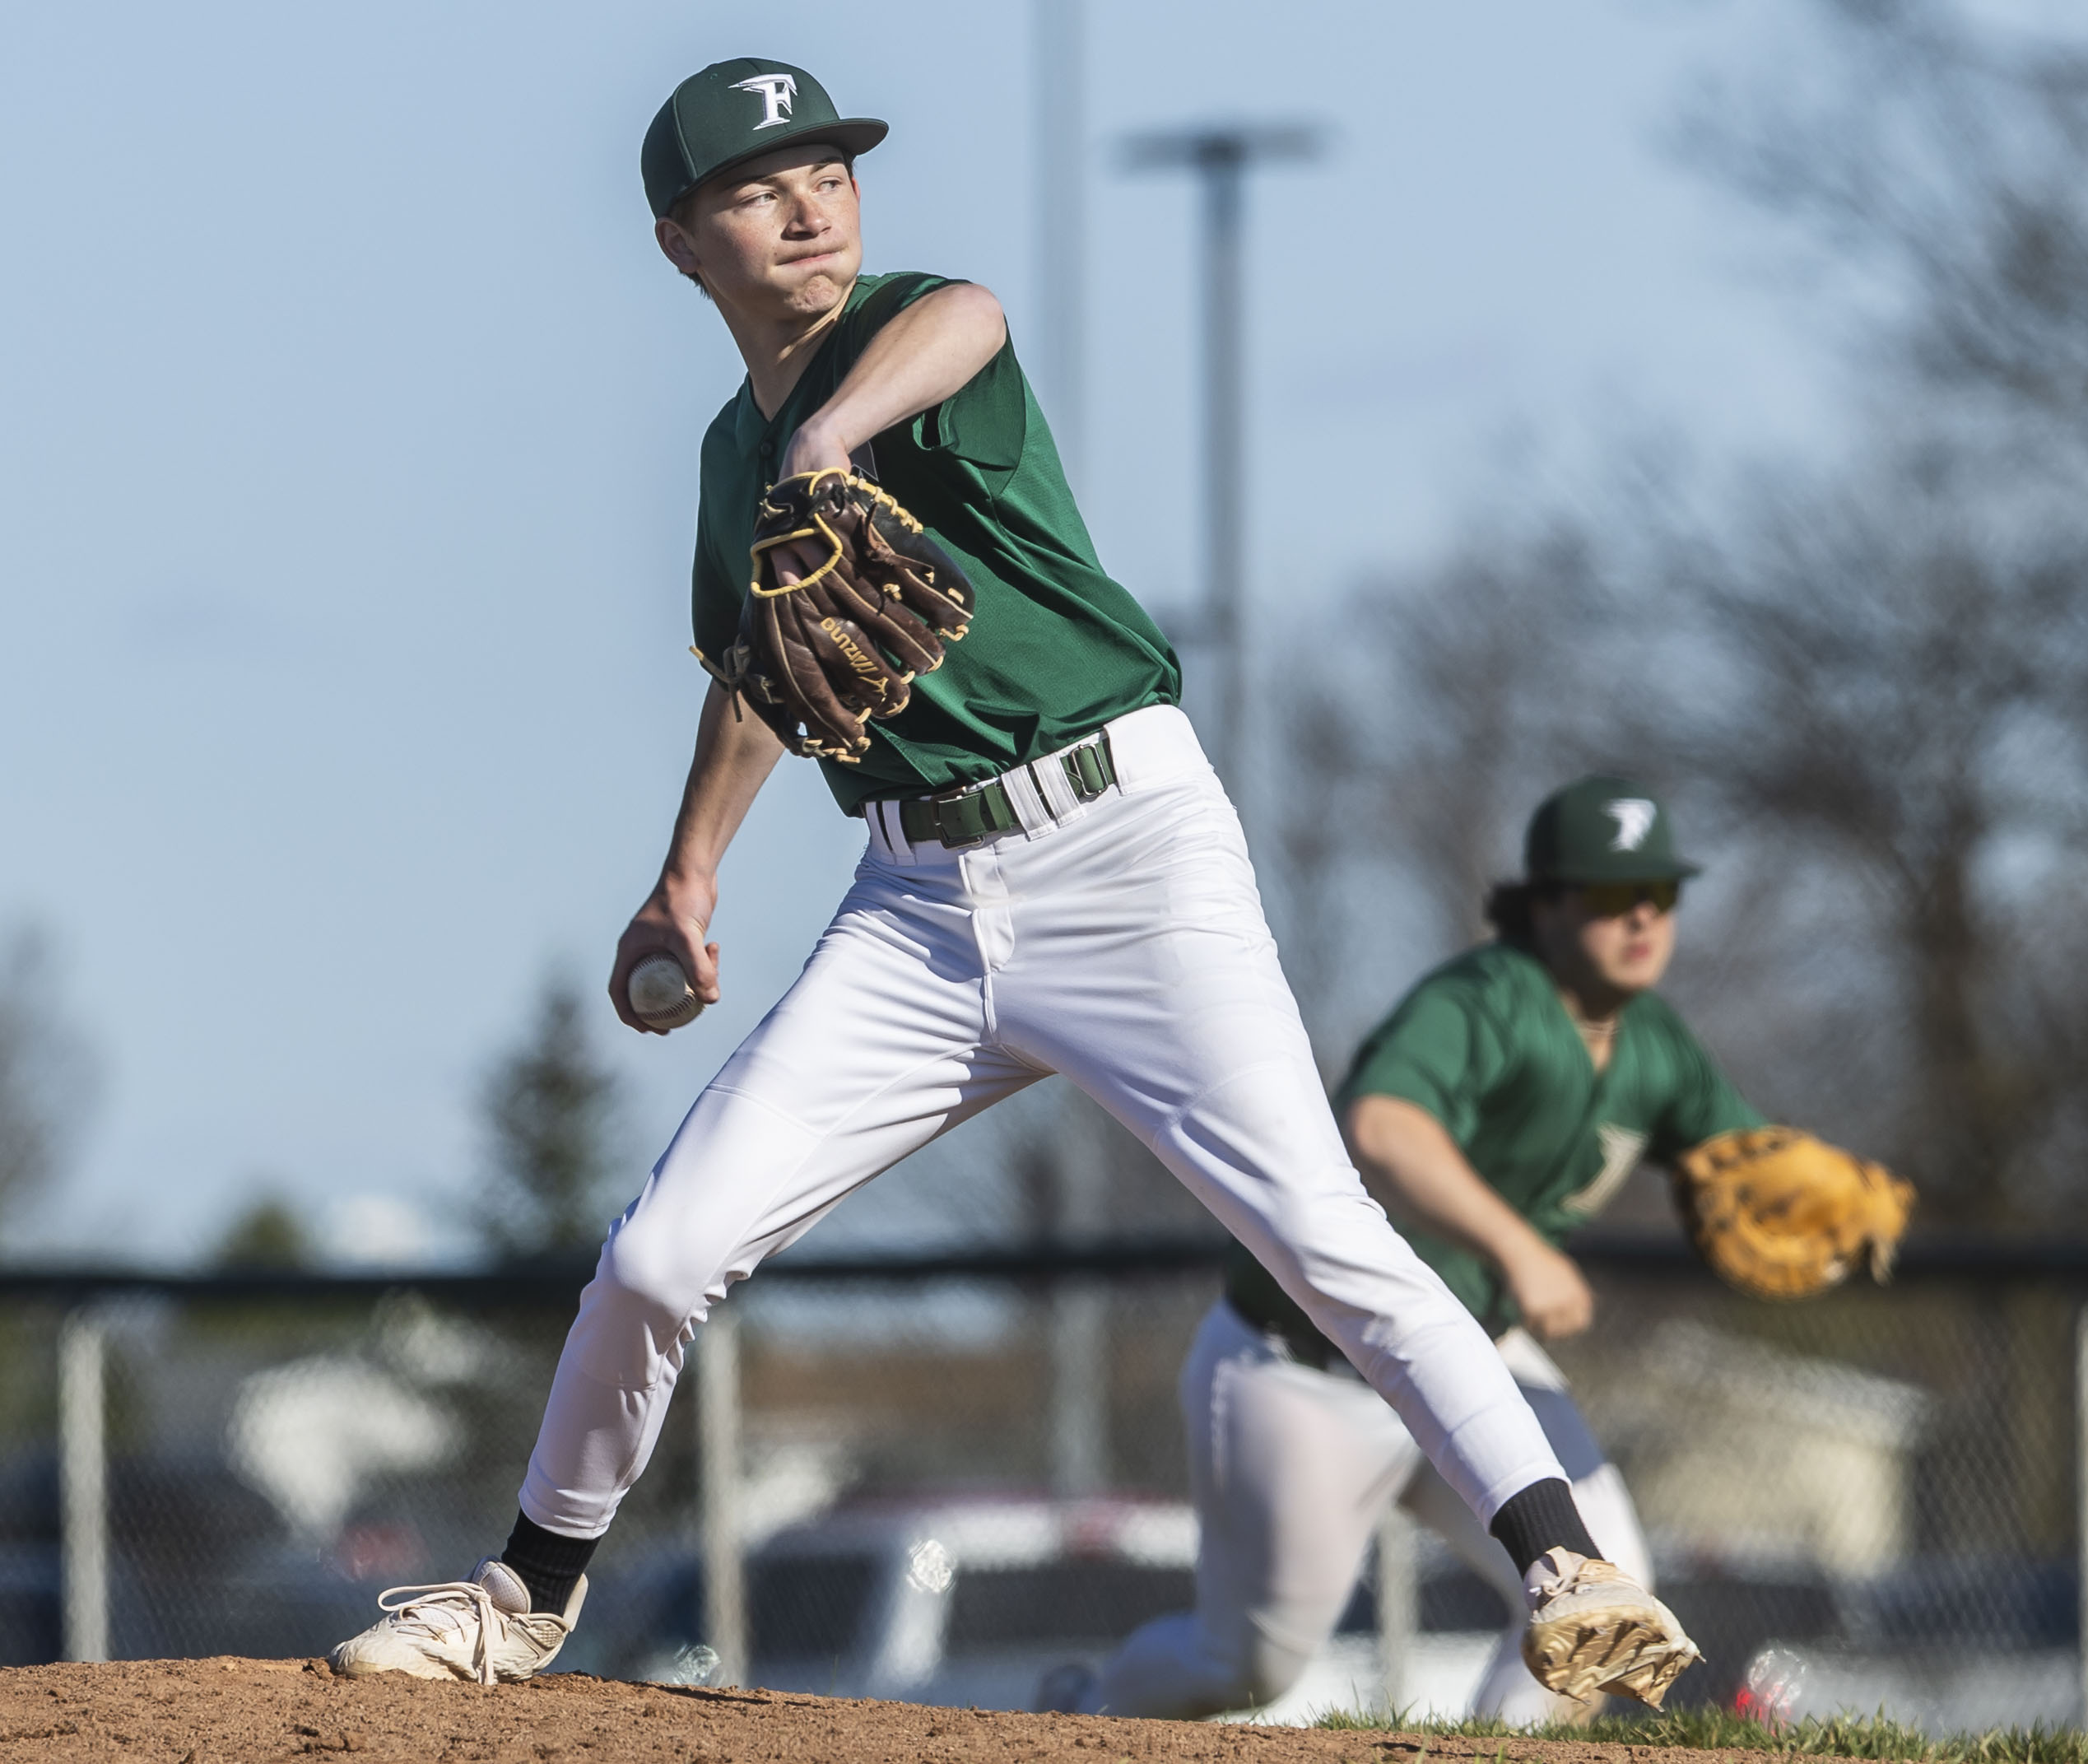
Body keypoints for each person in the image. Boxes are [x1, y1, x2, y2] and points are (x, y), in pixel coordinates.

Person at [325, 60, 1692, 1701]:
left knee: (1322, 1229)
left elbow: (970, 309)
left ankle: (1561, 1563)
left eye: (826, 167)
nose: (811, 200)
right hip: (912, 909)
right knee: (655, 1258)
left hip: (1123, 846)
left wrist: (827, 434)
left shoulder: (906, 340)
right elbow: (772, 669)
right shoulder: (724, 462)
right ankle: (518, 1602)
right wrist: (688, 871)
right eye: (760, 188)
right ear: (683, 243)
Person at [1052, 776, 1762, 1722]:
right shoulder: (1483, 999)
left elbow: (1749, 1168)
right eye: (1606, 895)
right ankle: (1084, 1709)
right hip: (1309, 1367)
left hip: (1479, 1361)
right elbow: (1382, 1126)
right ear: (1544, 904)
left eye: (1659, 895)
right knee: (1245, 1666)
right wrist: (1520, 1248)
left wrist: (1816, 1201)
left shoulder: (1655, 1044)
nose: (1640, 916)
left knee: (1603, 1604)